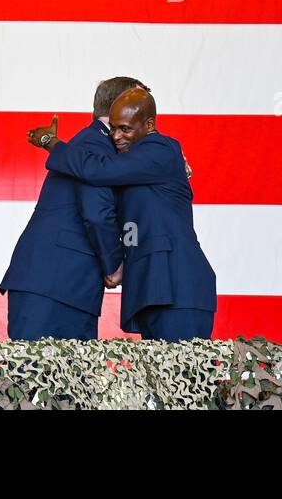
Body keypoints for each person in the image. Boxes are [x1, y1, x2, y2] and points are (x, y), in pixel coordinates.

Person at [31, 87, 216, 341]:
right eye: (114, 128)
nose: (116, 137)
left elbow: (97, 169)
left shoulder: (160, 148)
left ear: (149, 125)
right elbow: (132, 227)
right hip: (152, 287)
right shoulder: (134, 168)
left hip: (178, 286)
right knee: (161, 381)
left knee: (184, 379)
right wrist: (121, 261)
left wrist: (50, 143)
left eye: (126, 129)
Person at [0, 77, 146, 339]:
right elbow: (97, 213)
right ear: (120, 108)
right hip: (55, 285)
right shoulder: (95, 145)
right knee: (38, 377)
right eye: (141, 108)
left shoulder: (94, 143)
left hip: (61, 286)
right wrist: (114, 266)